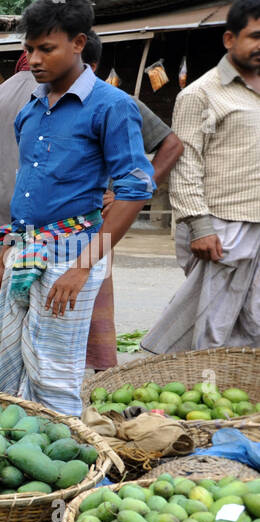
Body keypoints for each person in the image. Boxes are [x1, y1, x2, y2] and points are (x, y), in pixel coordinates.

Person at [0, 0, 153, 417]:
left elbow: (134, 190)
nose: (34, 59)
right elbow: (29, 190)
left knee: (53, 370)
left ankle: (65, 459)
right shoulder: (31, 110)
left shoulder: (111, 106)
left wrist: (83, 266)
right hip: (26, 245)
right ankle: (18, 442)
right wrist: (7, 253)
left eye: (47, 48)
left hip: (73, 248)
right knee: (6, 360)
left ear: (79, 43)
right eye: (29, 49)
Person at [141, 0, 260, 355]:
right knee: (212, 327)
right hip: (221, 225)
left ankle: (242, 400)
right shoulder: (201, 94)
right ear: (230, 39)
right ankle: (191, 388)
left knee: (254, 322)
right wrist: (199, 225)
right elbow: (186, 162)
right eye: (255, 36)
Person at [81, 31, 182, 369]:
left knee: (93, 289)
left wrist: (132, 190)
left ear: (91, 66)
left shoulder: (118, 103)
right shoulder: (45, 103)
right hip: (51, 223)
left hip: (99, 219)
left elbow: (172, 145)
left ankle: (98, 373)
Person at [0, 51, 37, 272]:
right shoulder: (54, 89)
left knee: (4, 279)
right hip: (38, 209)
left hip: (2, 202)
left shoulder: (1, 90)